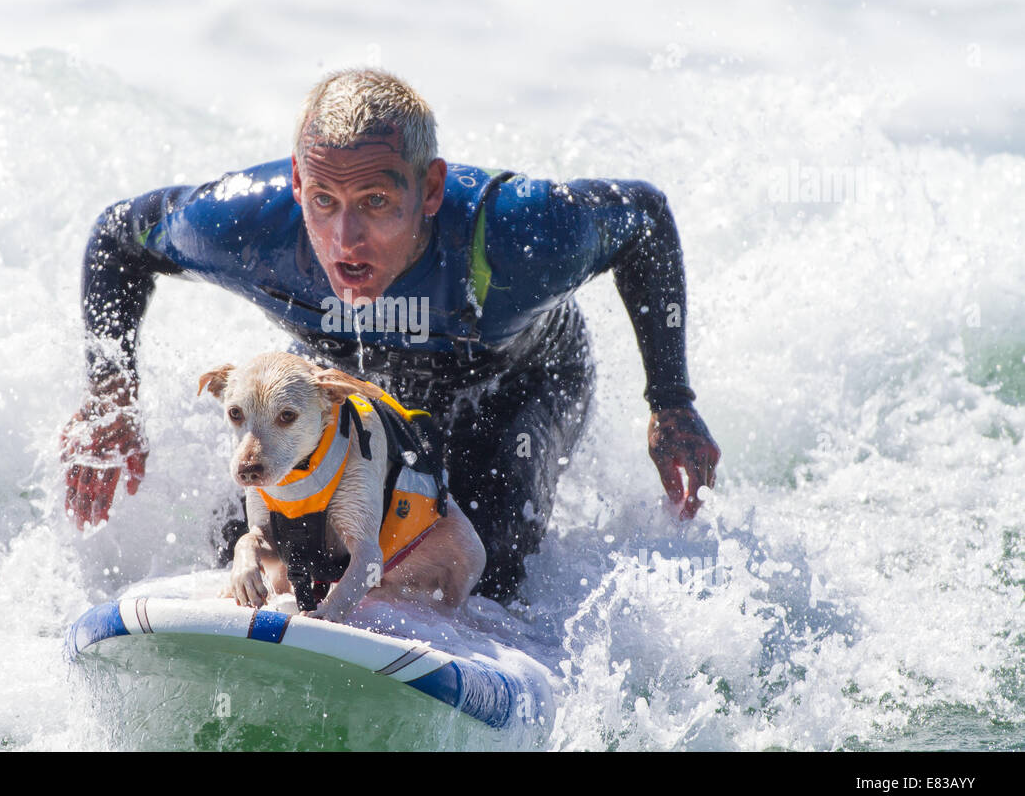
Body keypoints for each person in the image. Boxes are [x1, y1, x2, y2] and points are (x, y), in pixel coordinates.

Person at [59, 68, 720, 604]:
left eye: (376, 202)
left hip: (514, 384)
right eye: (323, 201)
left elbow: (645, 218)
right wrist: (110, 393)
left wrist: (671, 400)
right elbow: (120, 236)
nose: (345, 242)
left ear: (430, 189)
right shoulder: (244, 227)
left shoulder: (519, 236)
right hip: (344, 381)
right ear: (295, 181)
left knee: (489, 544)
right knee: (251, 531)